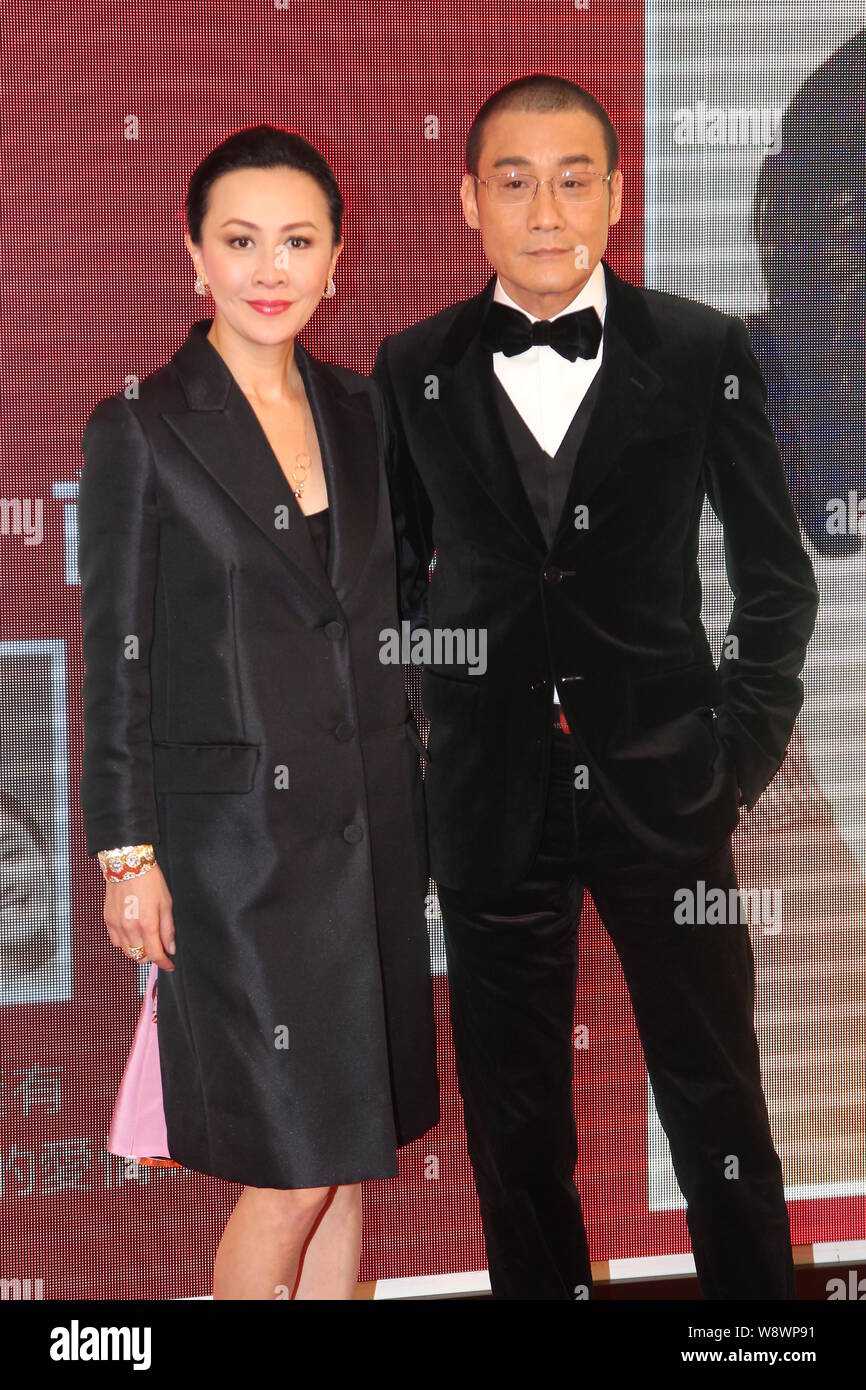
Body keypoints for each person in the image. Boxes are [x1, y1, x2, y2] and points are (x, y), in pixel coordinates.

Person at [373, 74, 819, 1299]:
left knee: (718, 1103)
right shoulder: (410, 368)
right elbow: (392, 591)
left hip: (667, 791)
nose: (546, 207)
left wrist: (730, 755)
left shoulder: (698, 349)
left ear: (616, 195)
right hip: (488, 805)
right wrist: (443, 723)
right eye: (513, 179)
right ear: (468, 199)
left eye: (575, 177)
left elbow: (776, 584)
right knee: (515, 1130)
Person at [78, 124, 438, 1300]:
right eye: (240, 241)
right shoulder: (140, 425)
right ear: (194, 254)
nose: (269, 268)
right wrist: (126, 854)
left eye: (297, 241)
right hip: (232, 862)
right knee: (285, 1172)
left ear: (338, 257)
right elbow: (114, 658)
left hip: (370, 834)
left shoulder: (364, 411)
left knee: (344, 1160)